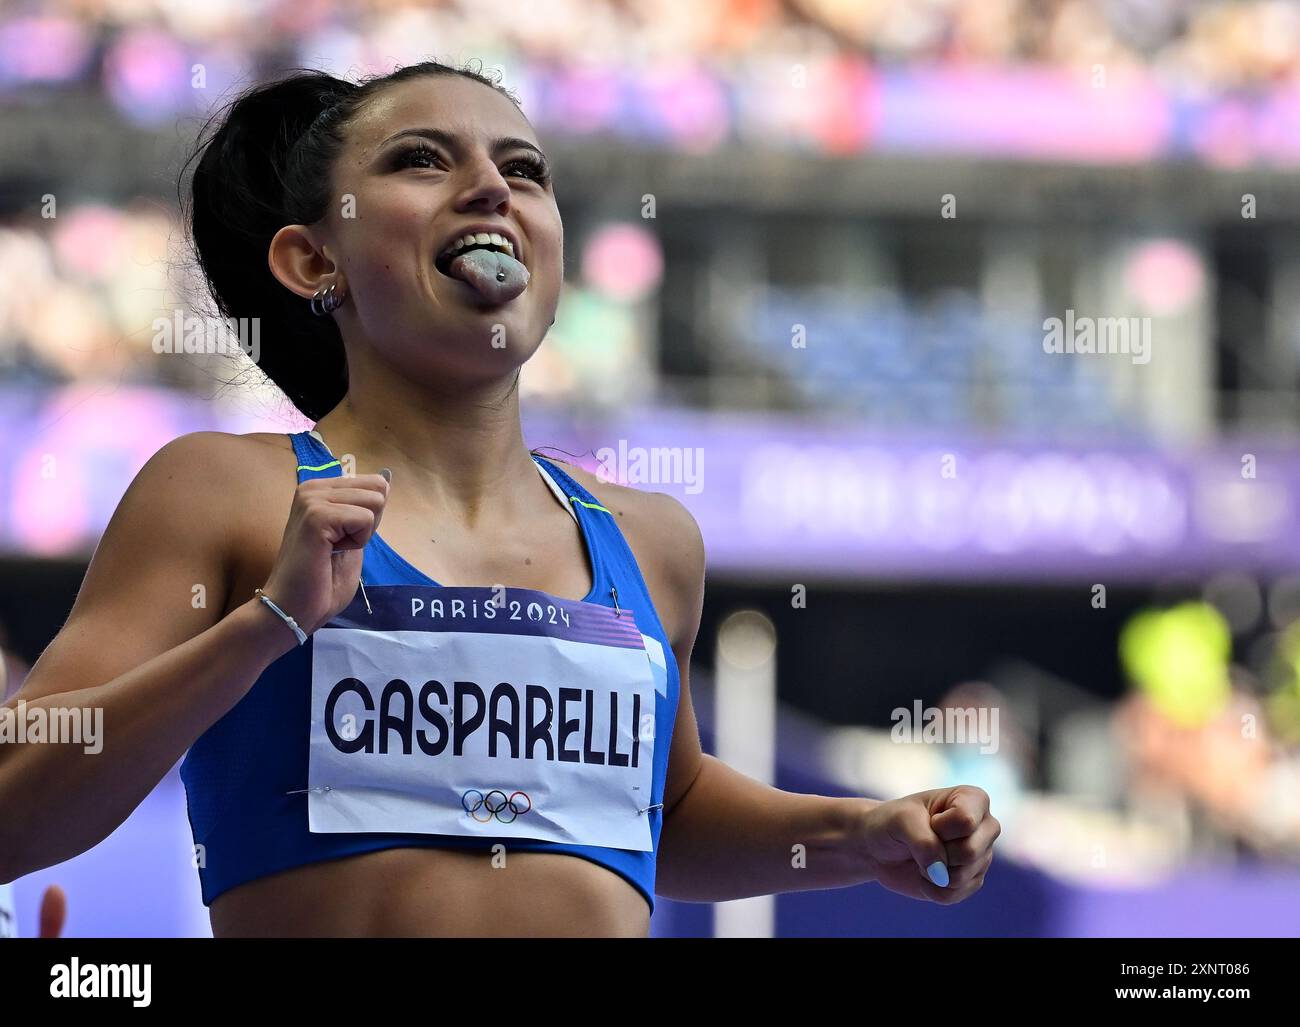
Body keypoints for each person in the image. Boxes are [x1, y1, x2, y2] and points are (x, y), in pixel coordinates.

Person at [0, 61, 999, 937]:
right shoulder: (226, 491)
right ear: (314, 259)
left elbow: (668, 811)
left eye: (525, 171)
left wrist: (856, 833)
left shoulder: (649, 541)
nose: (491, 188)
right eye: (423, 161)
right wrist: (265, 628)